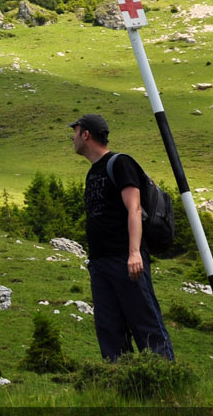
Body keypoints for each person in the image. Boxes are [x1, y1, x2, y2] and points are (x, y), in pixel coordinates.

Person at [69, 113, 174, 360]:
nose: (72, 138)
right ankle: (121, 384)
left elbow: (134, 208)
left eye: (75, 132)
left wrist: (134, 252)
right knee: (109, 328)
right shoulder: (93, 172)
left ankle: (166, 381)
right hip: (100, 262)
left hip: (125, 258)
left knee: (145, 322)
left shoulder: (120, 163)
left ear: (86, 134)